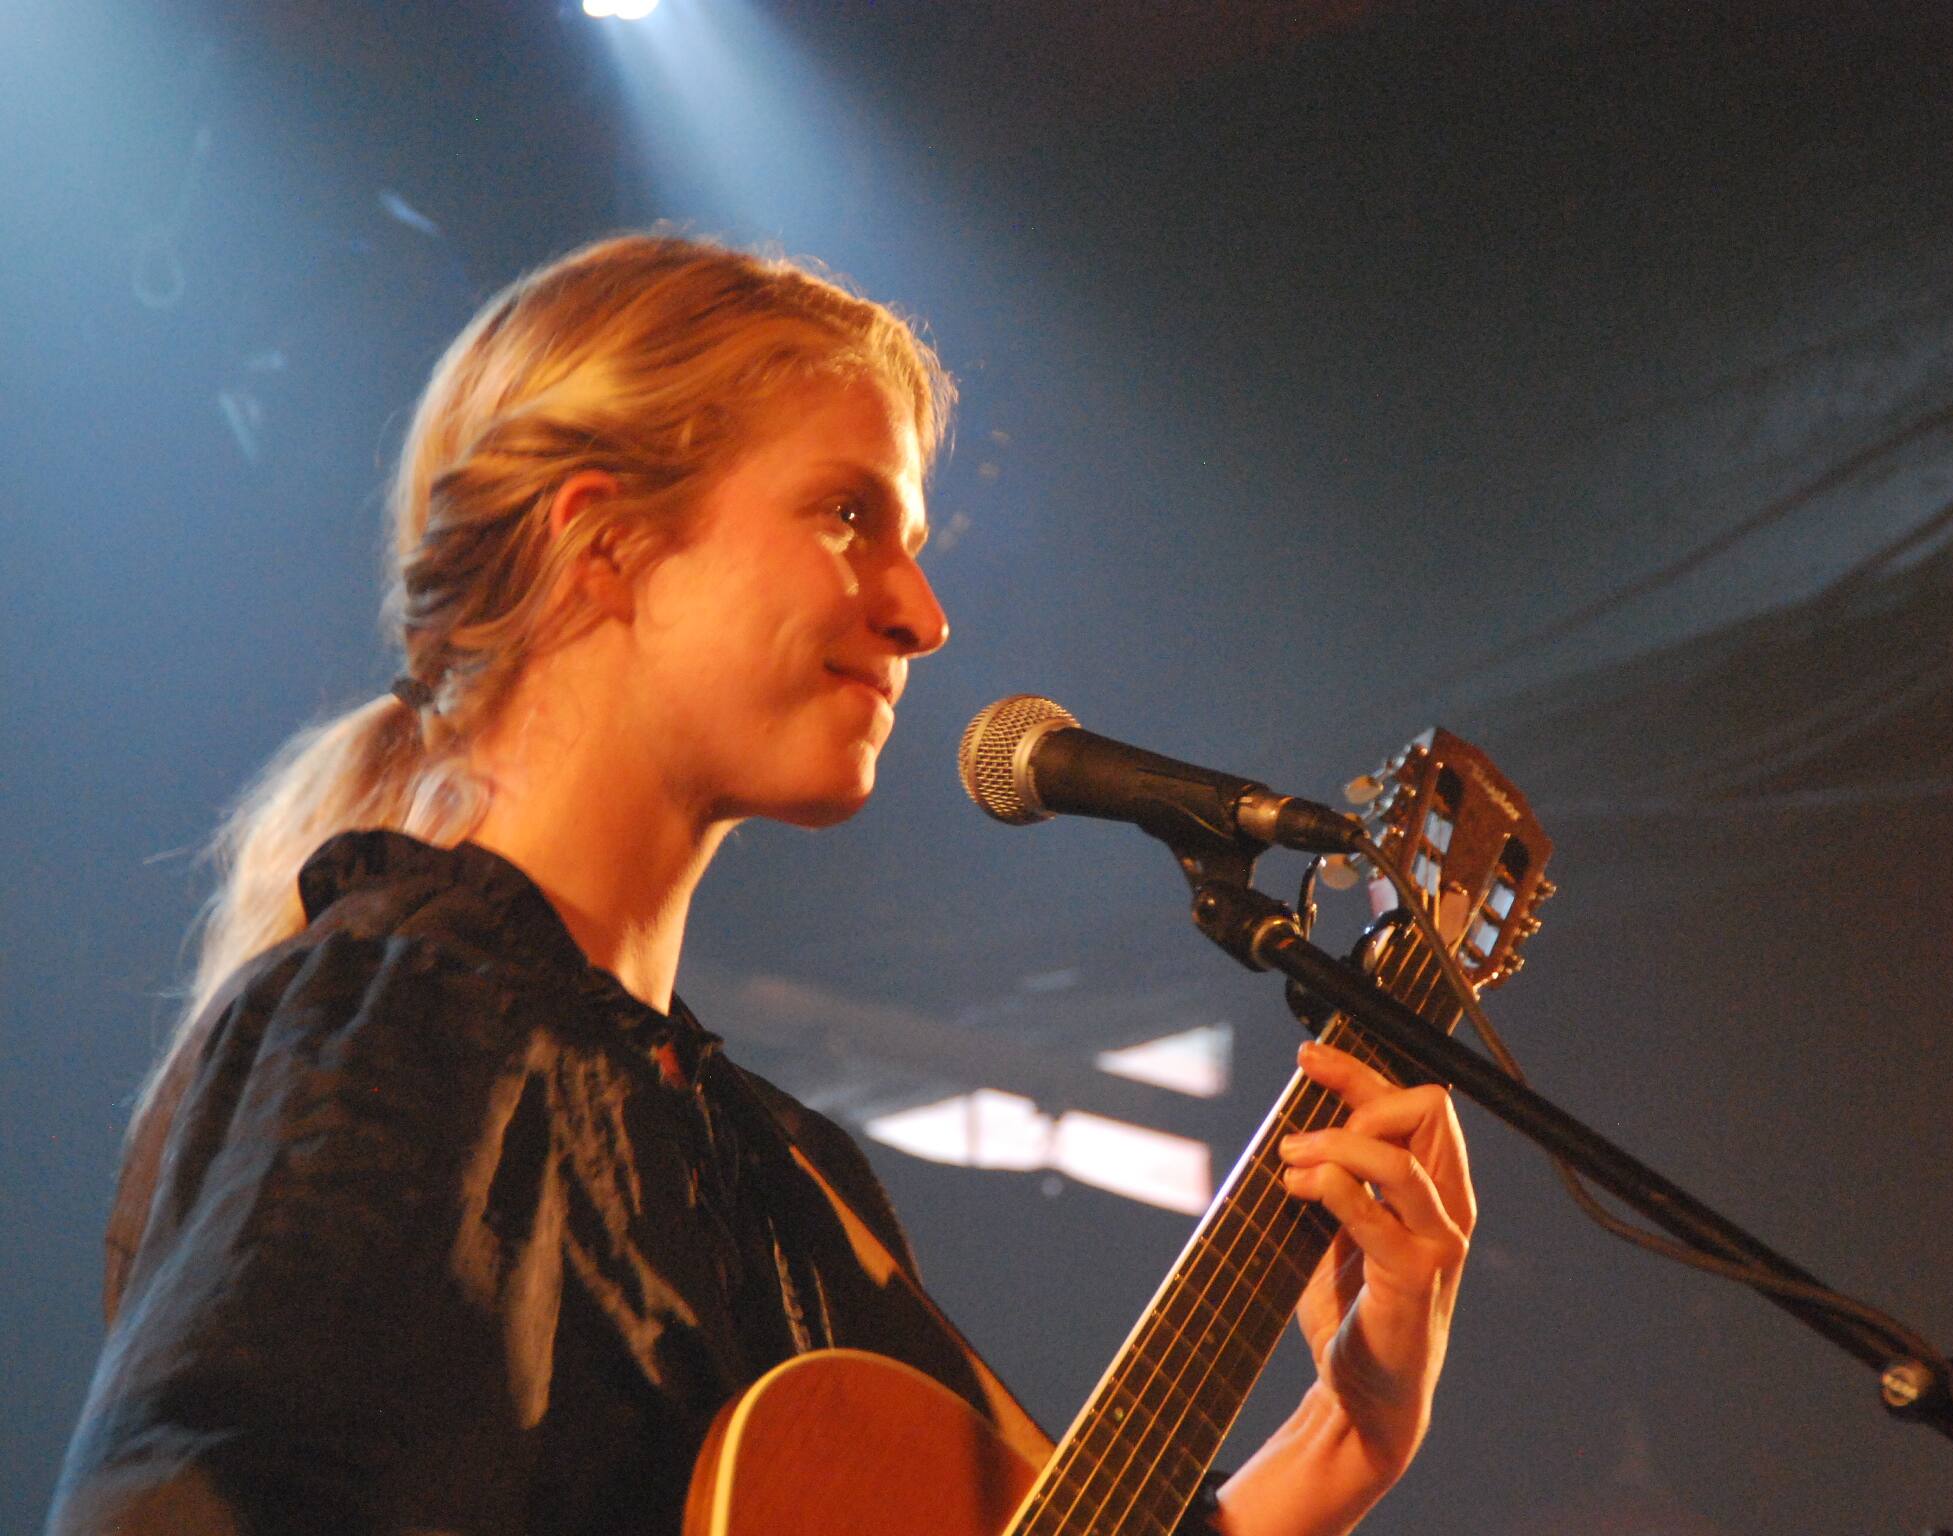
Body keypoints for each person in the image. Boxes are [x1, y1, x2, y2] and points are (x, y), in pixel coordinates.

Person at [47, 233, 1477, 1536]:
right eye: (848, 515)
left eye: (909, 540)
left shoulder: (780, 1179)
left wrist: (1349, 1437)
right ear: (598, 539)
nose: (922, 614)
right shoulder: (396, 1020)